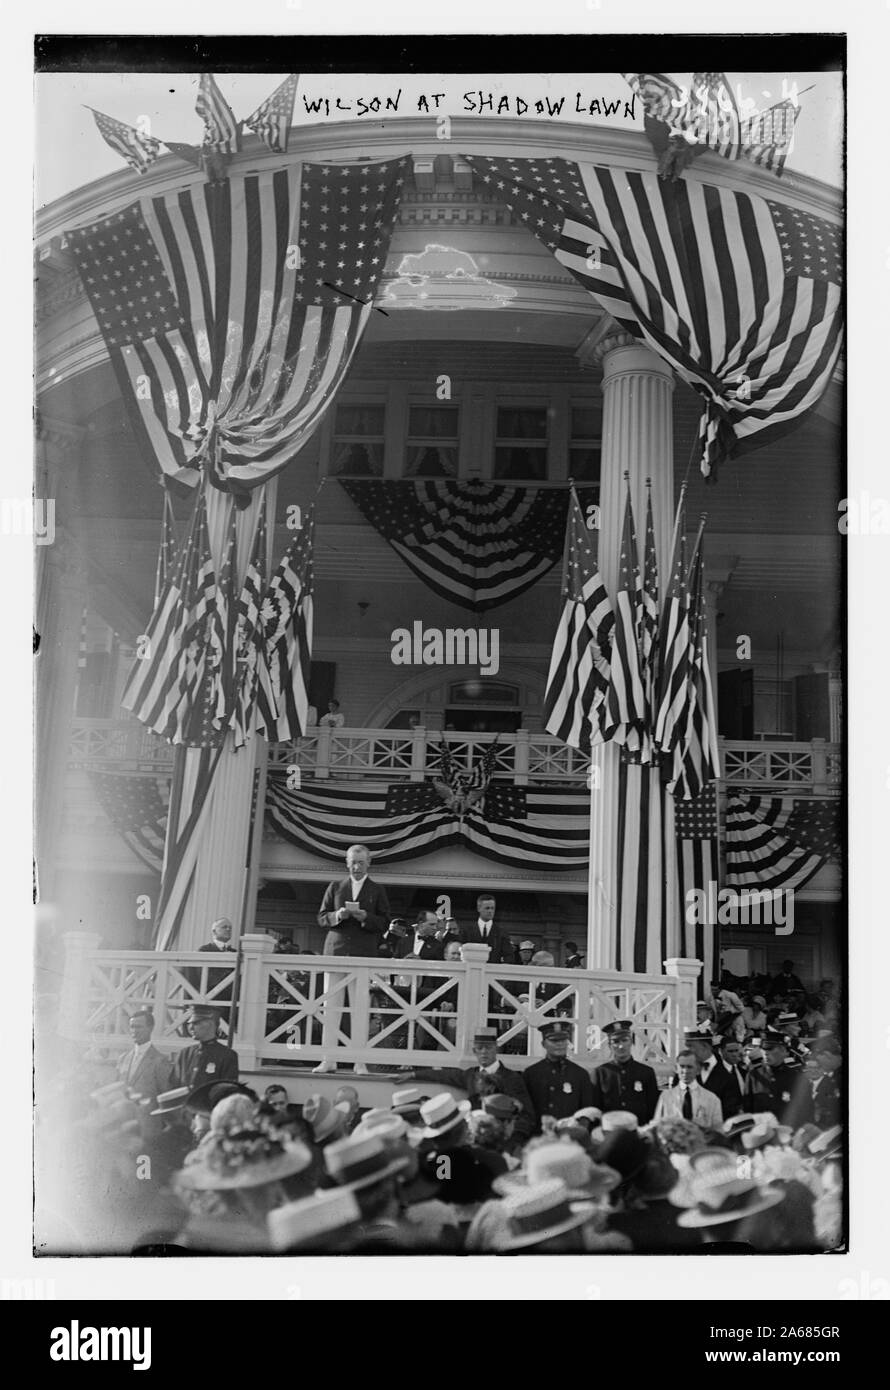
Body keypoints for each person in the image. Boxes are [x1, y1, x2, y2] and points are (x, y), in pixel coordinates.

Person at [314, 844, 392, 1075]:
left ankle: (359, 1062)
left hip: (363, 953)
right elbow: (321, 917)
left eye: (361, 862)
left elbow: (385, 922)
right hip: (336, 951)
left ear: (369, 863)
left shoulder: (377, 890)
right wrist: (338, 915)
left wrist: (366, 917)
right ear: (347, 863)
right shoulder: (336, 886)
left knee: (360, 1008)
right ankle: (328, 1059)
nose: (356, 866)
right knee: (331, 1007)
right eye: (353, 862)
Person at [408, 1026, 535, 1140]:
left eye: (489, 1047)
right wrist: (412, 1075)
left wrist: (512, 1139)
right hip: (475, 1136)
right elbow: (444, 1075)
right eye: (480, 1048)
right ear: (475, 1051)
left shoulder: (511, 1078)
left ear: (497, 1049)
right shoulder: (471, 1075)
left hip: (503, 1138)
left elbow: (526, 1115)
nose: (484, 1052)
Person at [524, 1021, 595, 1131]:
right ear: (543, 1044)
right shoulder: (531, 1073)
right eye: (554, 1040)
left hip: (569, 1137)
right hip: (540, 1136)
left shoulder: (580, 1074)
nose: (560, 1044)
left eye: (563, 1040)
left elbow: (586, 1111)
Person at [590, 1020, 659, 1126]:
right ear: (609, 1045)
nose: (621, 1046)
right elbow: (595, 1108)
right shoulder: (600, 1073)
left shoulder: (646, 1072)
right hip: (610, 1132)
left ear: (631, 1042)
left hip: (638, 1131)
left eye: (624, 1040)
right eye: (616, 1042)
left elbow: (653, 1108)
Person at [749, 1028, 815, 1128]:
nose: (765, 1053)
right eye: (763, 1049)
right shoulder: (753, 1076)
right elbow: (747, 1110)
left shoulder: (797, 1079)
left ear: (784, 1051)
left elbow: (807, 1113)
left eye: (770, 1049)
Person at [170, 1005, 240, 1092]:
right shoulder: (184, 1054)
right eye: (190, 1024)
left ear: (210, 1024)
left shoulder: (227, 1056)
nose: (191, 1027)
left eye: (196, 1023)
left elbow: (227, 1093)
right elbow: (173, 1087)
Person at [654, 1051, 723, 1130]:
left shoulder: (711, 1099)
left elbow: (718, 1132)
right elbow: (657, 1126)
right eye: (682, 1066)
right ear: (676, 1069)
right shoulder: (666, 1096)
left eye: (689, 1067)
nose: (685, 1071)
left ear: (698, 1070)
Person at [115, 1010, 172, 1104]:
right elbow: (116, 1089)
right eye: (132, 1027)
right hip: (123, 1116)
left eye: (139, 1027)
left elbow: (165, 1097)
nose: (134, 1031)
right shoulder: (123, 1059)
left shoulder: (161, 1061)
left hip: (146, 1117)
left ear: (150, 1028)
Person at [679, 1026, 734, 1121]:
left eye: (691, 1046)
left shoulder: (728, 1077)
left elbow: (731, 1113)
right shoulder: (682, 1072)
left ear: (705, 1046)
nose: (688, 1051)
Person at [460, 893, 512, 964]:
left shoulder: (501, 932)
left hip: (493, 972)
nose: (490, 911)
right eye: (487, 908)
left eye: (492, 908)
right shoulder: (467, 931)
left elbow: (509, 956)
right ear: (479, 908)